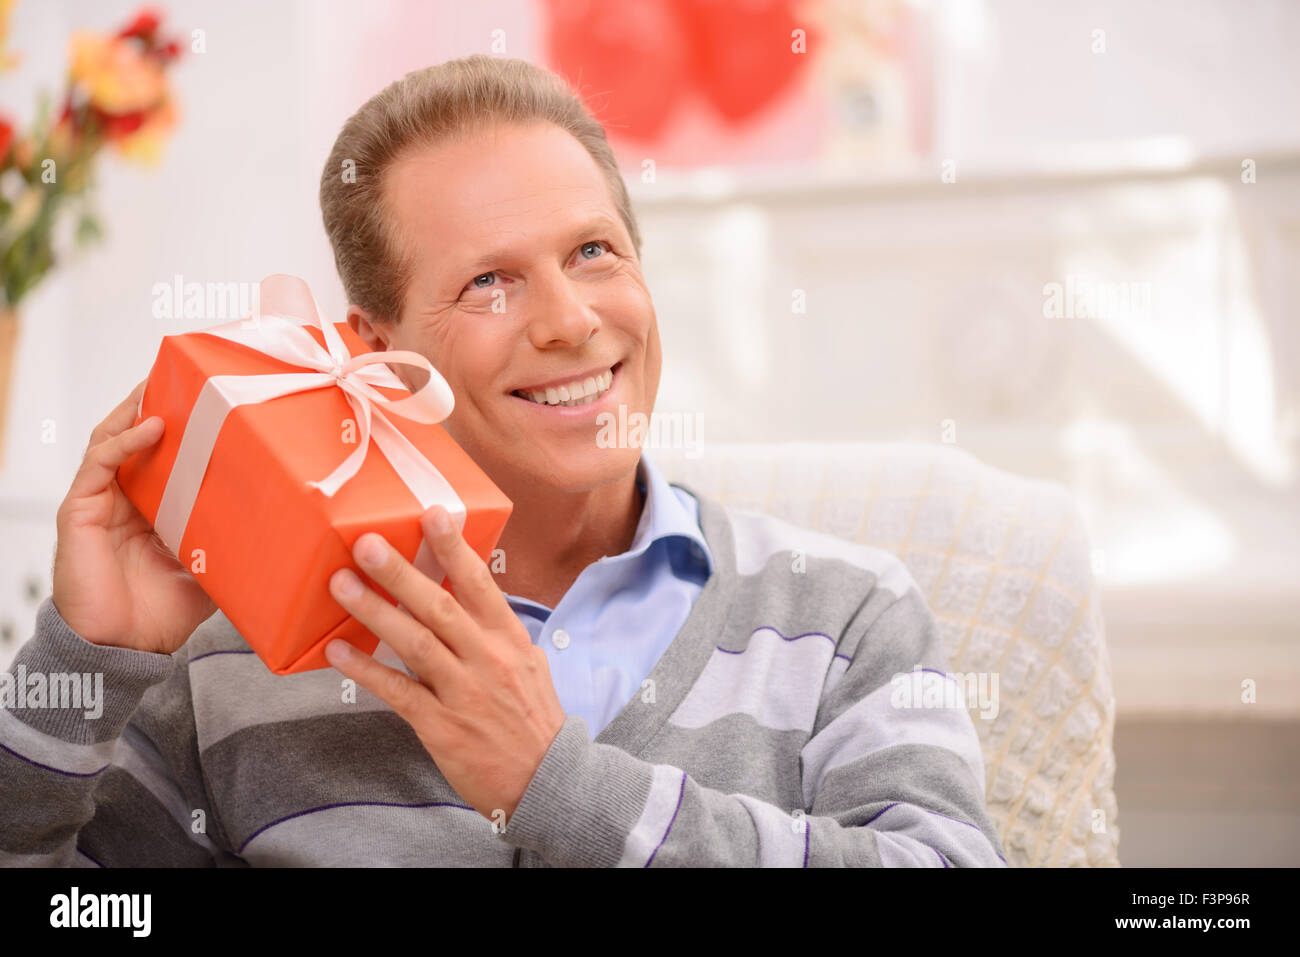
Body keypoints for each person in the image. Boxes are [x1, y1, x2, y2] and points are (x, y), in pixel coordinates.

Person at [0, 55, 1006, 867]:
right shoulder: (229, 668)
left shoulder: (843, 615)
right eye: (489, 283)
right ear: (371, 346)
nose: (570, 323)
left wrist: (558, 788)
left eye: (594, 253)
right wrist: (85, 659)